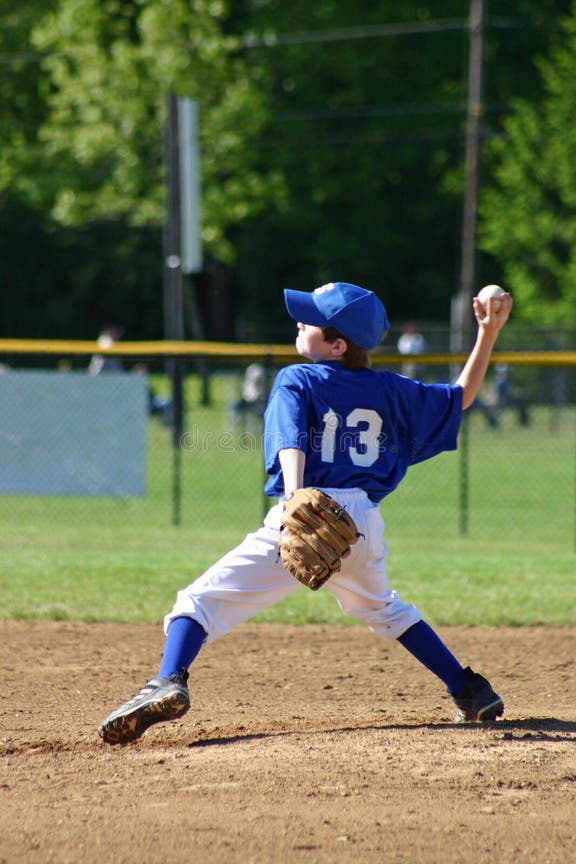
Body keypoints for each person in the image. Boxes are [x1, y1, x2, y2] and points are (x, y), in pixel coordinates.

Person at [98, 281, 512, 745]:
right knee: (386, 610)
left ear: (337, 345)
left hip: (307, 507)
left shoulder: (299, 377)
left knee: (196, 603)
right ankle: (469, 690)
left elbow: (290, 439)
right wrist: (488, 333)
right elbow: (461, 397)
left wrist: (295, 499)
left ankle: (168, 680)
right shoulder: (392, 389)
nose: (299, 320)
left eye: (311, 319)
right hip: (362, 524)